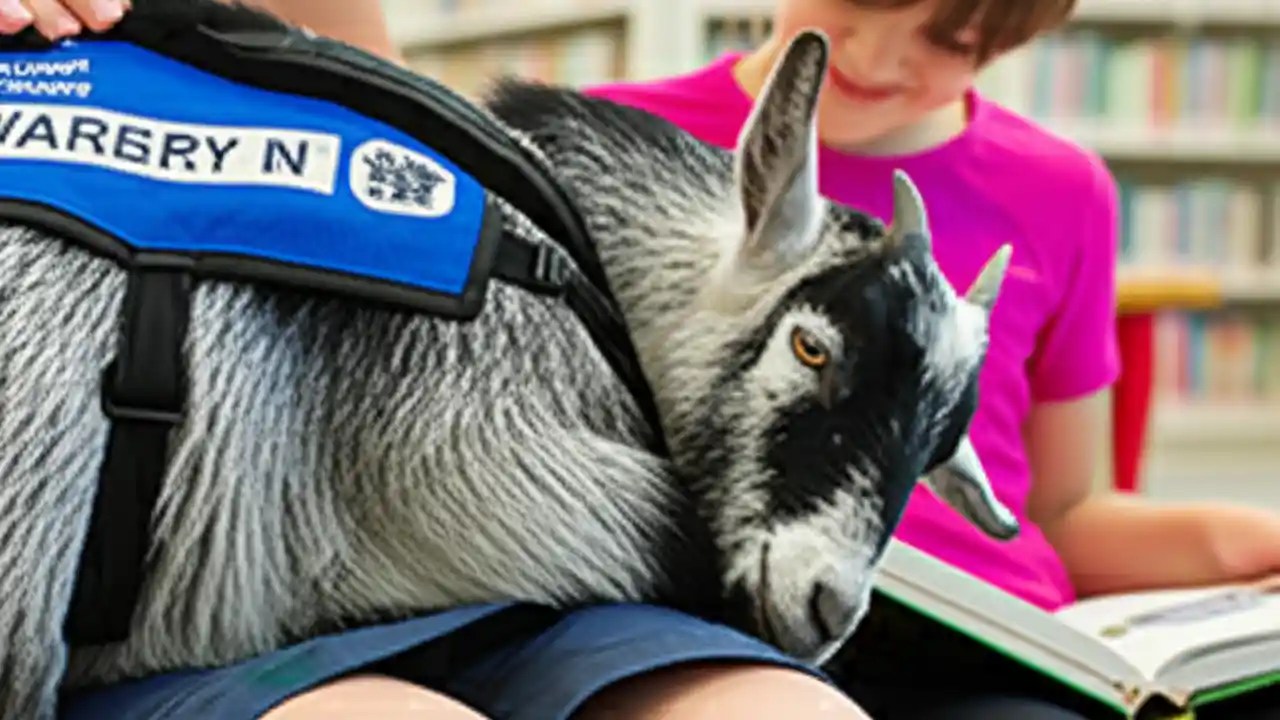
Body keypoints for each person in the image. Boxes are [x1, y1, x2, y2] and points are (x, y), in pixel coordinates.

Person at [5, 0, 1280, 718]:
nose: (893, 60)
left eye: (954, 38)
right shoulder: (620, 147)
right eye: (873, 9)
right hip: (371, 541)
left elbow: (1062, 508)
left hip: (867, 611)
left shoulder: (1062, 189)